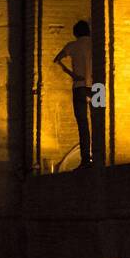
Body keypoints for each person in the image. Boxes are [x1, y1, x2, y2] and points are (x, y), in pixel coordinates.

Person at [53, 20, 93, 168]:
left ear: (75, 33)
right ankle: (100, 156)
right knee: (99, 121)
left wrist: (70, 73)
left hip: (79, 87)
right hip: (98, 87)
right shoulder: (97, 43)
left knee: (83, 124)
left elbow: (57, 59)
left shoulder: (72, 46)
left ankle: (85, 160)